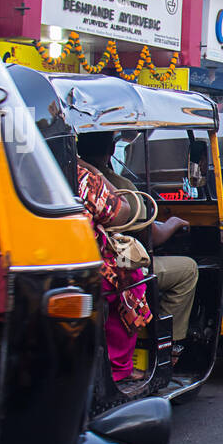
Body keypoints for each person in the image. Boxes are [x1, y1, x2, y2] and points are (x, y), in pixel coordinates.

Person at [75, 133, 197, 361]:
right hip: (114, 263)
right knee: (188, 269)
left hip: (83, 263)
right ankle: (170, 347)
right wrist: (173, 224)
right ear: (112, 149)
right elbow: (152, 235)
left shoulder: (64, 177)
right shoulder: (114, 186)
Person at [75, 153, 152, 381]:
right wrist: (91, 167)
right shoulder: (81, 177)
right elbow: (121, 212)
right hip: (82, 265)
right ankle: (118, 367)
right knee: (132, 278)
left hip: (32, 260)